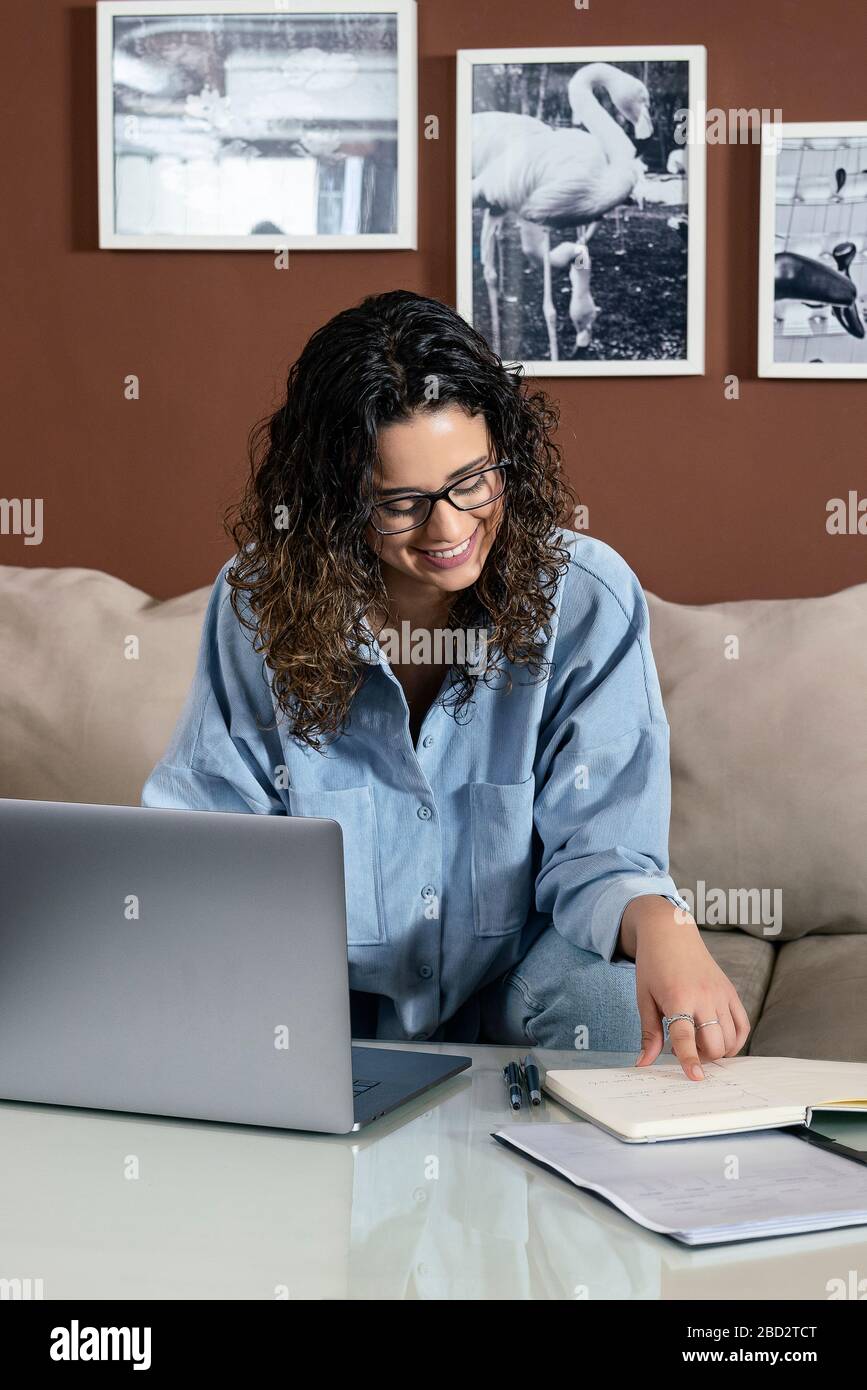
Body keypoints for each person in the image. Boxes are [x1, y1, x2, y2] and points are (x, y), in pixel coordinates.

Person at [142, 289, 749, 1077]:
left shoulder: (587, 598)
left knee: (616, 1008)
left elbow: (602, 851)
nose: (450, 529)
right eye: (400, 504)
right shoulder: (257, 601)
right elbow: (211, 834)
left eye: (472, 481)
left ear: (509, 457)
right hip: (324, 1000)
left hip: (521, 984)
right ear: (333, 504)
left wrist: (665, 925)